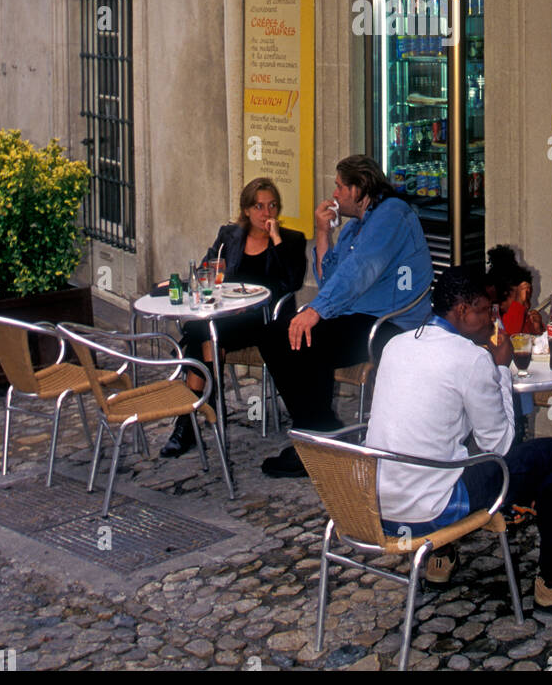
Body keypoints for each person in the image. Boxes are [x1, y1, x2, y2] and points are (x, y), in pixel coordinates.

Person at [366, 266, 552, 612]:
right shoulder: (472, 359)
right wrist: (500, 367)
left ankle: (444, 555)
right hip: (429, 509)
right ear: (462, 311)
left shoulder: (396, 345)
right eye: (486, 311)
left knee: (446, 448)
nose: (493, 319)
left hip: (375, 504)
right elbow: (498, 447)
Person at [258, 154, 434, 478]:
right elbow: (330, 279)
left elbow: (360, 270)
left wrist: (314, 311)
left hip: (392, 324)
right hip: (358, 316)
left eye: (340, 187)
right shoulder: (355, 227)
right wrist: (322, 232)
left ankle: (317, 440)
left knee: (306, 341)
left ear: (358, 189)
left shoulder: (392, 214)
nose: (335, 194)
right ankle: (318, 431)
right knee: (274, 335)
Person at [160, 177, 307, 457]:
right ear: (247, 209)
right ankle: (197, 411)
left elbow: (292, 282)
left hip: (265, 319)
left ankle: (190, 420)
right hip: (228, 315)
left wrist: (276, 240)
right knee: (205, 333)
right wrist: (210, 278)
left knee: (199, 333)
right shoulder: (230, 236)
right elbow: (207, 268)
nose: (267, 213)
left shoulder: (291, 240)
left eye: (272, 205)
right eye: (260, 206)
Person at [484, 244, 544, 336]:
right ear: (502, 301)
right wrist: (519, 304)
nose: (527, 305)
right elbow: (508, 338)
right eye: (519, 299)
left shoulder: (524, 318)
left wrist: (538, 329)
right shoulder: (493, 318)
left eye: (527, 299)